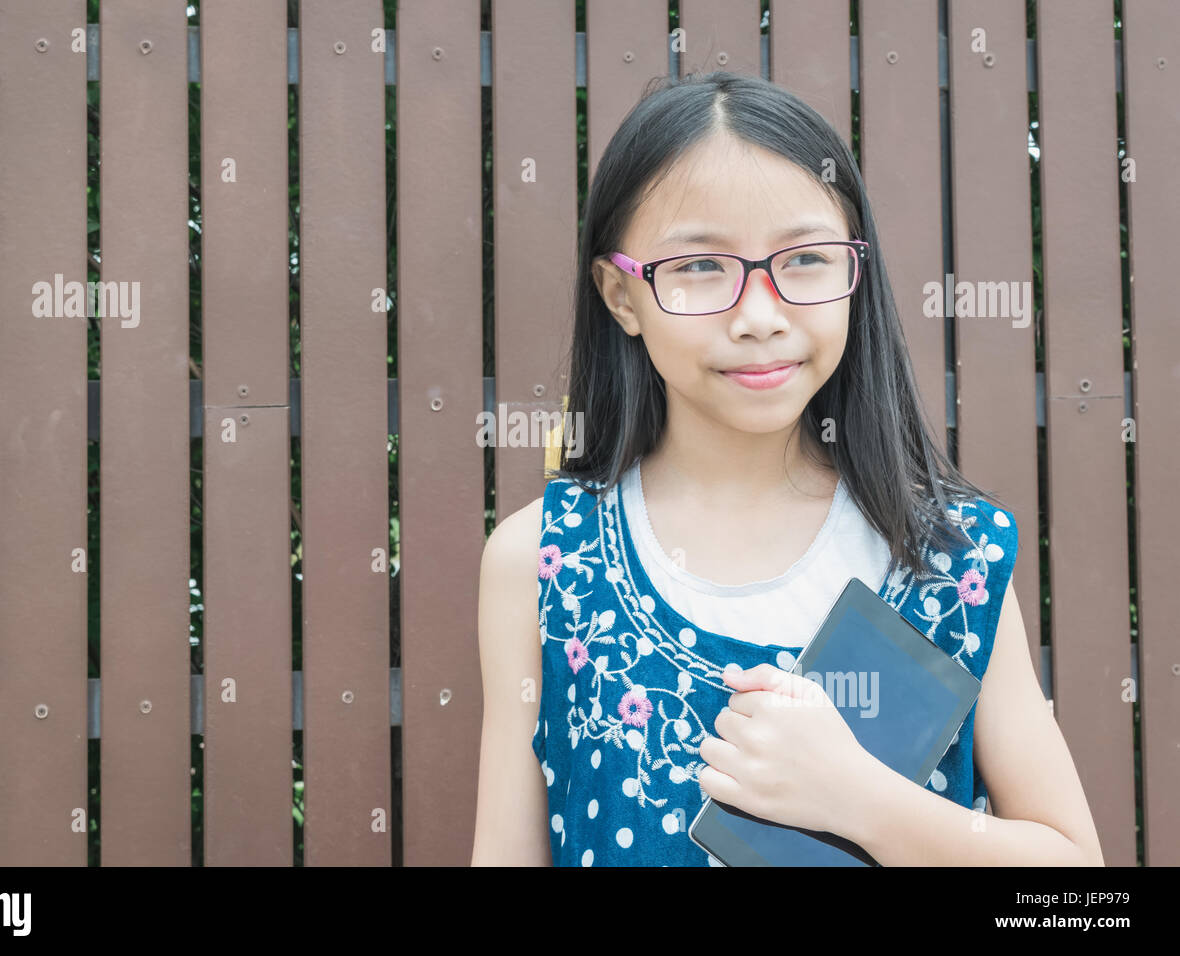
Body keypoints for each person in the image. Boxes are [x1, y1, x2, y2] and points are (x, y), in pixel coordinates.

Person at [471, 71, 1102, 867]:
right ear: (621, 296)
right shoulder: (543, 563)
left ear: (853, 271)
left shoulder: (948, 555)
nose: (760, 318)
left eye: (804, 258)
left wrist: (858, 800)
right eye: (700, 268)